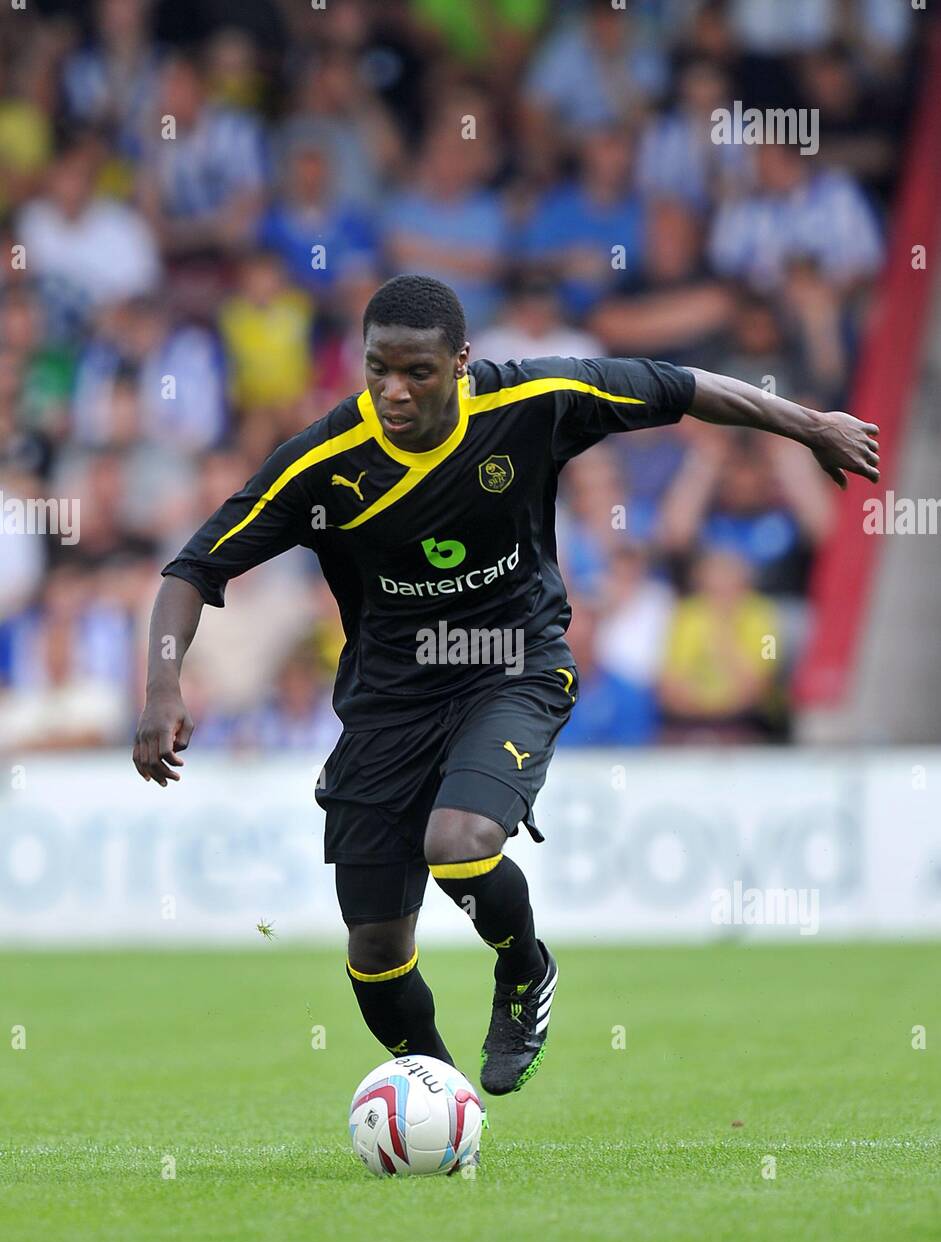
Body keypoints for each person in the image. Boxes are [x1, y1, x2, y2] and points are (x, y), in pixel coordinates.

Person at [132, 273, 879, 1110]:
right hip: (389, 704)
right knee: (375, 955)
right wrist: (163, 683)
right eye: (377, 368)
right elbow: (192, 569)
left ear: (460, 362)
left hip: (512, 665)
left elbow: (682, 387)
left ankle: (524, 966)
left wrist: (809, 425)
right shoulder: (326, 462)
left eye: (415, 371)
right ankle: (443, 1103)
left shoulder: (533, 401)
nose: (392, 390)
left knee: (458, 840)